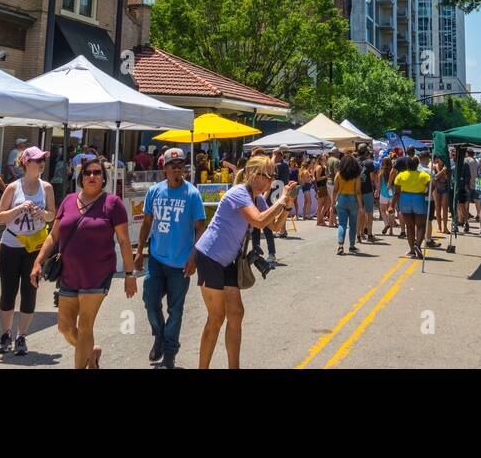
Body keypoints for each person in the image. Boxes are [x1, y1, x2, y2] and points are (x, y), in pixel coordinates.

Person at [30, 159, 136, 369]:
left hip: (97, 273)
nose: (92, 176)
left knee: (85, 326)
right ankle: (91, 355)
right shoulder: (68, 201)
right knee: (65, 327)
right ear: (81, 177)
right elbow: (53, 235)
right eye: (88, 173)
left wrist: (130, 274)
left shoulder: (112, 203)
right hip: (69, 274)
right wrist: (38, 261)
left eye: (97, 173)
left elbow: (124, 240)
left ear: (104, 178)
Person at [193, 155, 296, 369]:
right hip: (210, 256)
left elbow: (275, 226)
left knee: (236, 314)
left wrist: (286, 206)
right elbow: (258, 221)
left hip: (227, 260)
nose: (272, 180)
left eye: (273, 176)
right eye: (269, 175)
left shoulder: (256, 198)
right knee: (216, 318)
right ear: (254, 175)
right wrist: (280, 198)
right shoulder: (239, 192)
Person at [135, 148, 205, 370]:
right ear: (164, 167)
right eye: (172, 164)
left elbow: (200, 229)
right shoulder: (155, 192)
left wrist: (194, 256)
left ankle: (170, 352)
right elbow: (147, 222)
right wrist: (139, 251)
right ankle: (160, 335)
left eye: (180, 165)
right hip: (156, 258)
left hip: (181, 263)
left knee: (176, 309)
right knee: (150, 301)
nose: (176, 168)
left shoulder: (192, 194)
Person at [0, 145, 55, 357]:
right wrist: (19, 208)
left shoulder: (46, 187)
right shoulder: (13, 188)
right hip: (11, 246)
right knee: (8, 292)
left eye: (43, 160)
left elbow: (52, 216)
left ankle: (21, 336)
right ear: (26, 163)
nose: (41, 164)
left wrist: (41, 213)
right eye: (38, 161)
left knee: (30, 292)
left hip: (35, 248)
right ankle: (5, 334)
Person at [394, 155, 429, 258]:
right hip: (418, 198)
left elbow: (397, 192)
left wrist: (392, 205)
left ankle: (412, 250)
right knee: (421, 226)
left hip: (405, 199)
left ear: (407, 165)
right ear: (417, 164)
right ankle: (418, 245)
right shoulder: (423, 175)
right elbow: (433, 184)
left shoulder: (401, 175)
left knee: (409, 227)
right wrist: (426, 193)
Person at [333, 153, 362, 256]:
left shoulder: (339, 174)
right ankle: (352, 245)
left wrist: (333, 203)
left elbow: (335, 190)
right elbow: (358, 192)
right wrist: (361, 206)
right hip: (353, 199)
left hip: (341, 199)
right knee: (353, 224)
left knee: (342, 224)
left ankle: (340, 246)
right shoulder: (356, 175)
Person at [357, 147, 378, 244]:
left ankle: (360, 234)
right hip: (368, 190)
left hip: (357, 191)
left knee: (360, 212)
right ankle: (369, 234)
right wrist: (377, 188)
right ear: (366, 152)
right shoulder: (369, 163)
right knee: (369, 213)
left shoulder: (355, 162)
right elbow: (372, 178)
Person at [378, 152, 398, 237]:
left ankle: (386, 223)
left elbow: (379, 185)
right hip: (392, 193)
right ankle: (391, 231)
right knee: (391, 211)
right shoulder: (394, 172)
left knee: (382, 210)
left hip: (383, 193)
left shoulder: (380, 173)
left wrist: (376, 192)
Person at [315, 154, 333, 227]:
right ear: (320, 160)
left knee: (327, 203)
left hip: (323, 187)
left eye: (325, 160)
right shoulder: (319, 167)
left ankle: (321, 219)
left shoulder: (322, 167)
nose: (325, 161)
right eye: (323, 160)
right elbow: (318, 178)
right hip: (321, 187)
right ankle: (319, 221)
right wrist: (326, 176)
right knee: (320, 205)